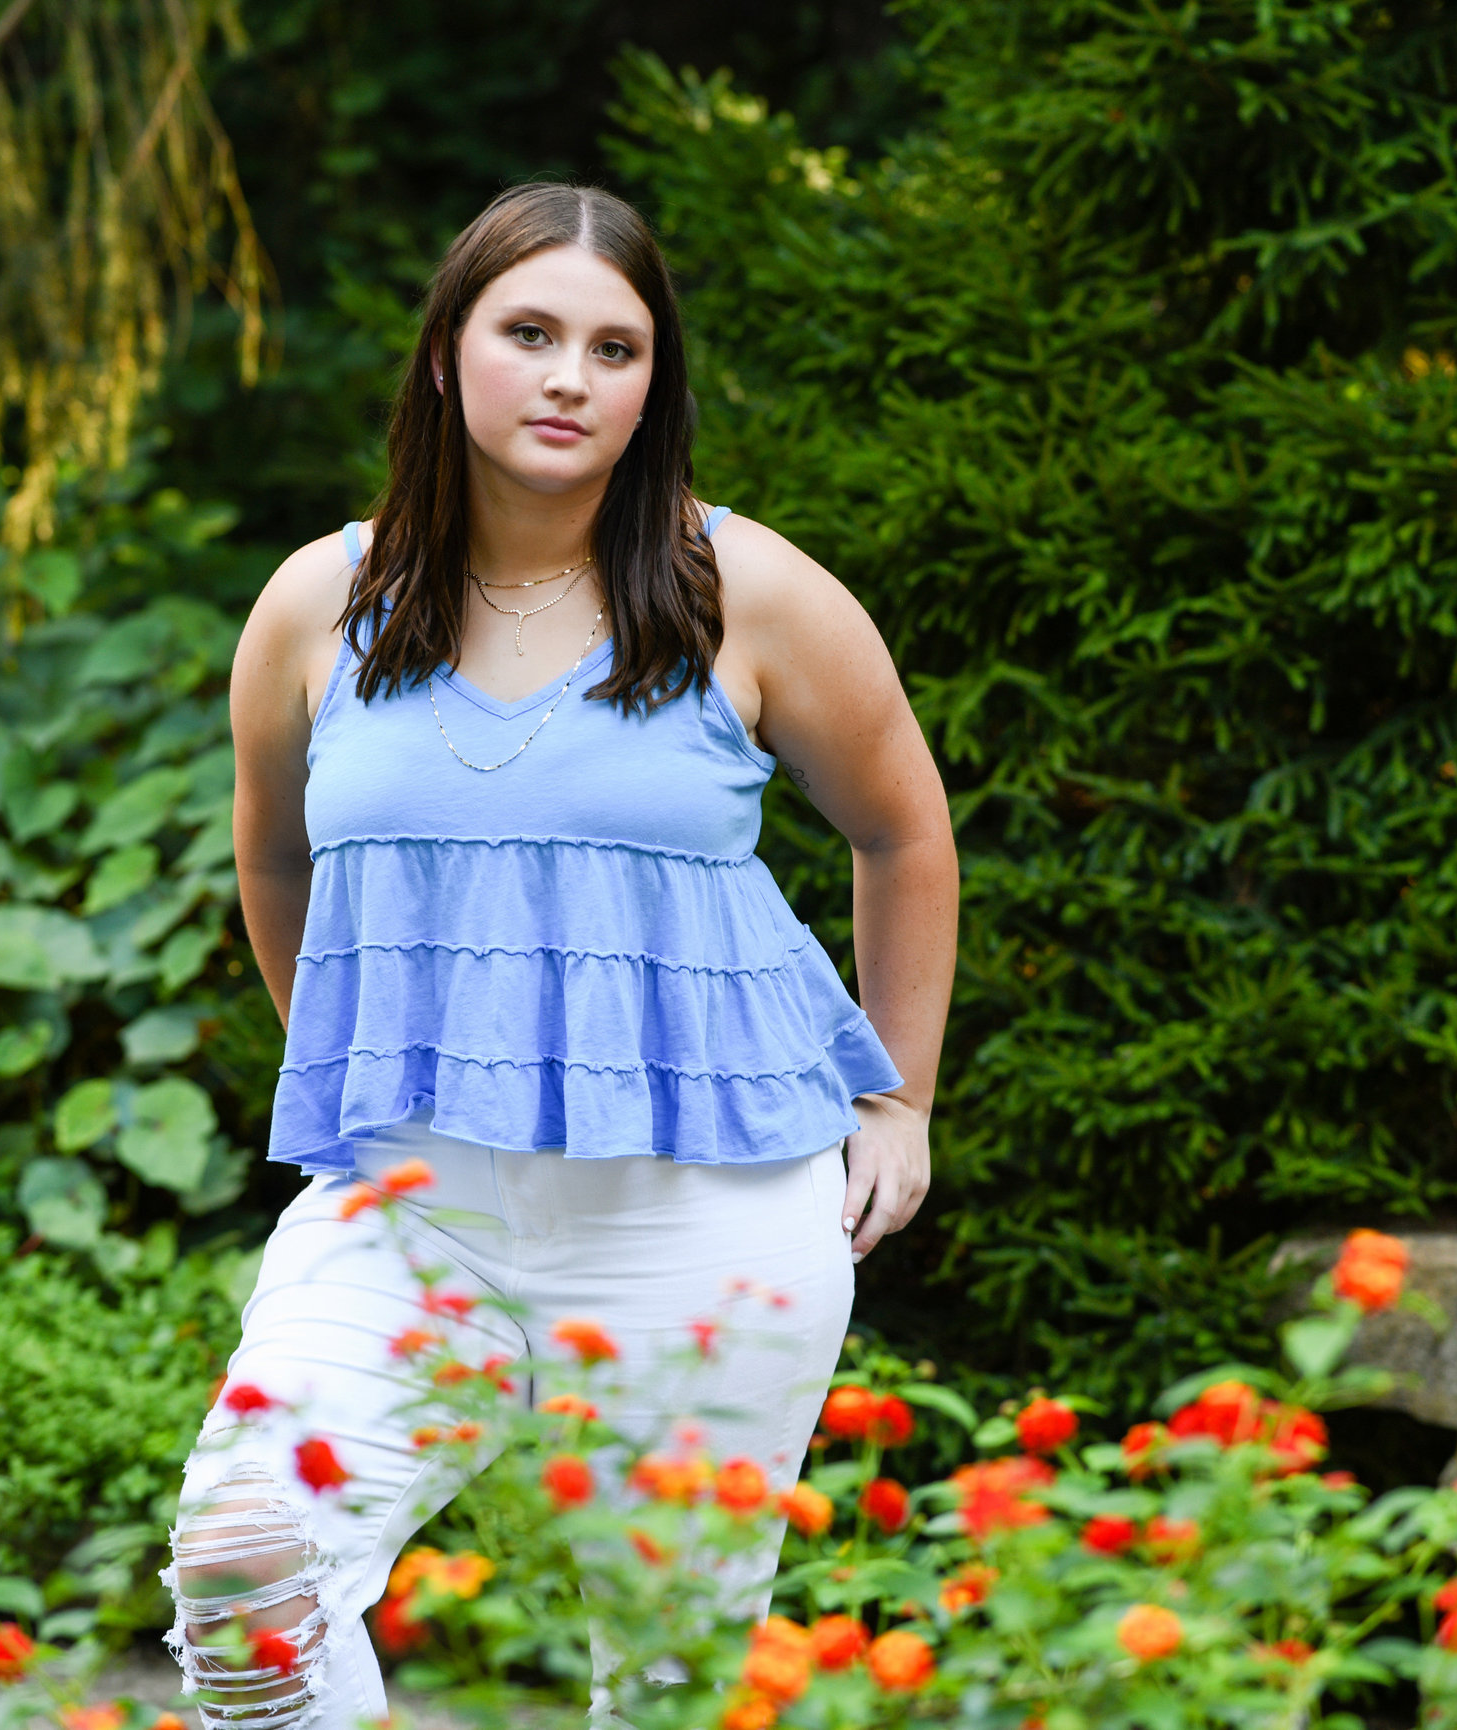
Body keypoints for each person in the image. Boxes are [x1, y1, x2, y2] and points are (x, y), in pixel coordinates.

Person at [164, 182, 956, 1728]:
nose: (570, 376)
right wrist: (360, 1055)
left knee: (662, 1681)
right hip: (411, 1209)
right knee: (242, 1565)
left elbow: (906, 835)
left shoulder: (749, 593)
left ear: (654, 383)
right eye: (529, 332)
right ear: (449, 354)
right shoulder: (320, 604)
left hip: (709, 1210)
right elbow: (272, 854)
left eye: (616, 345)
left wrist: (902, 1099)